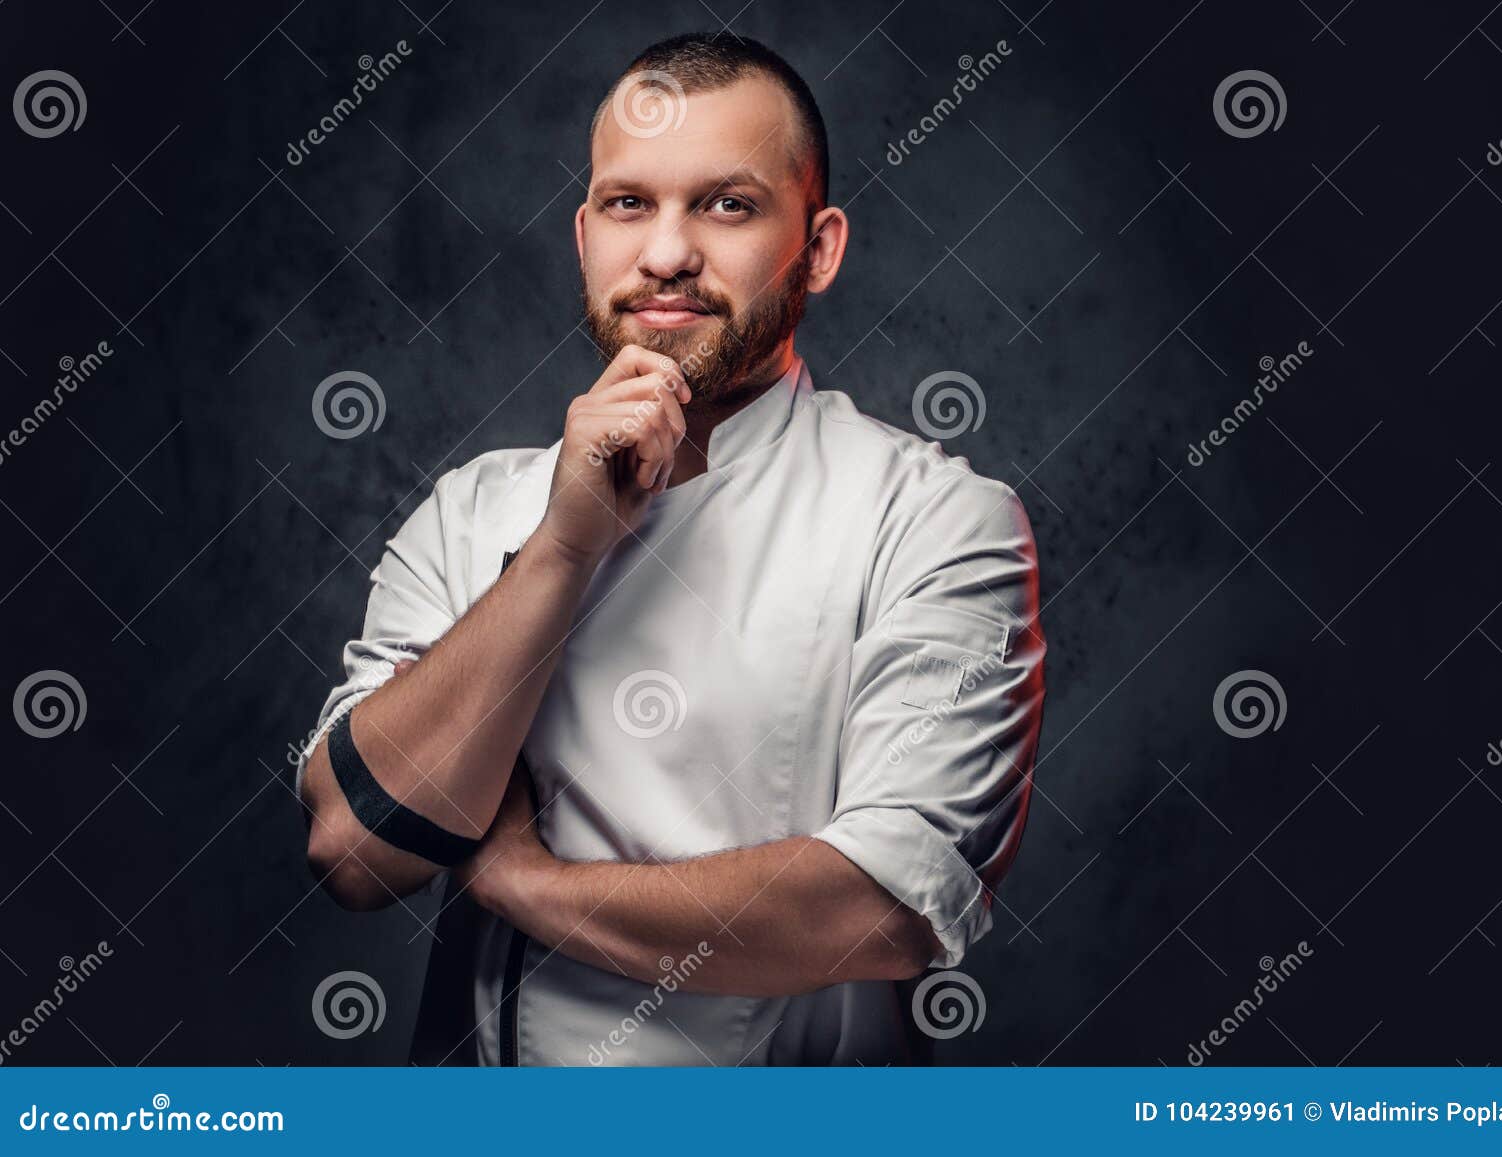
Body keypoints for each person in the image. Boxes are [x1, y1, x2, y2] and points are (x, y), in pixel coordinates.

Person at [294, 31, 1045, 1066]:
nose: (665, 255)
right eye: (628, 203)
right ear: (584, 234)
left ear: (817, 248)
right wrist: (561, 547)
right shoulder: (475, 510)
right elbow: (354, 849)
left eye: (726, 205)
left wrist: (519, 879)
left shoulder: (931, 519)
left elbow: (876, 906)